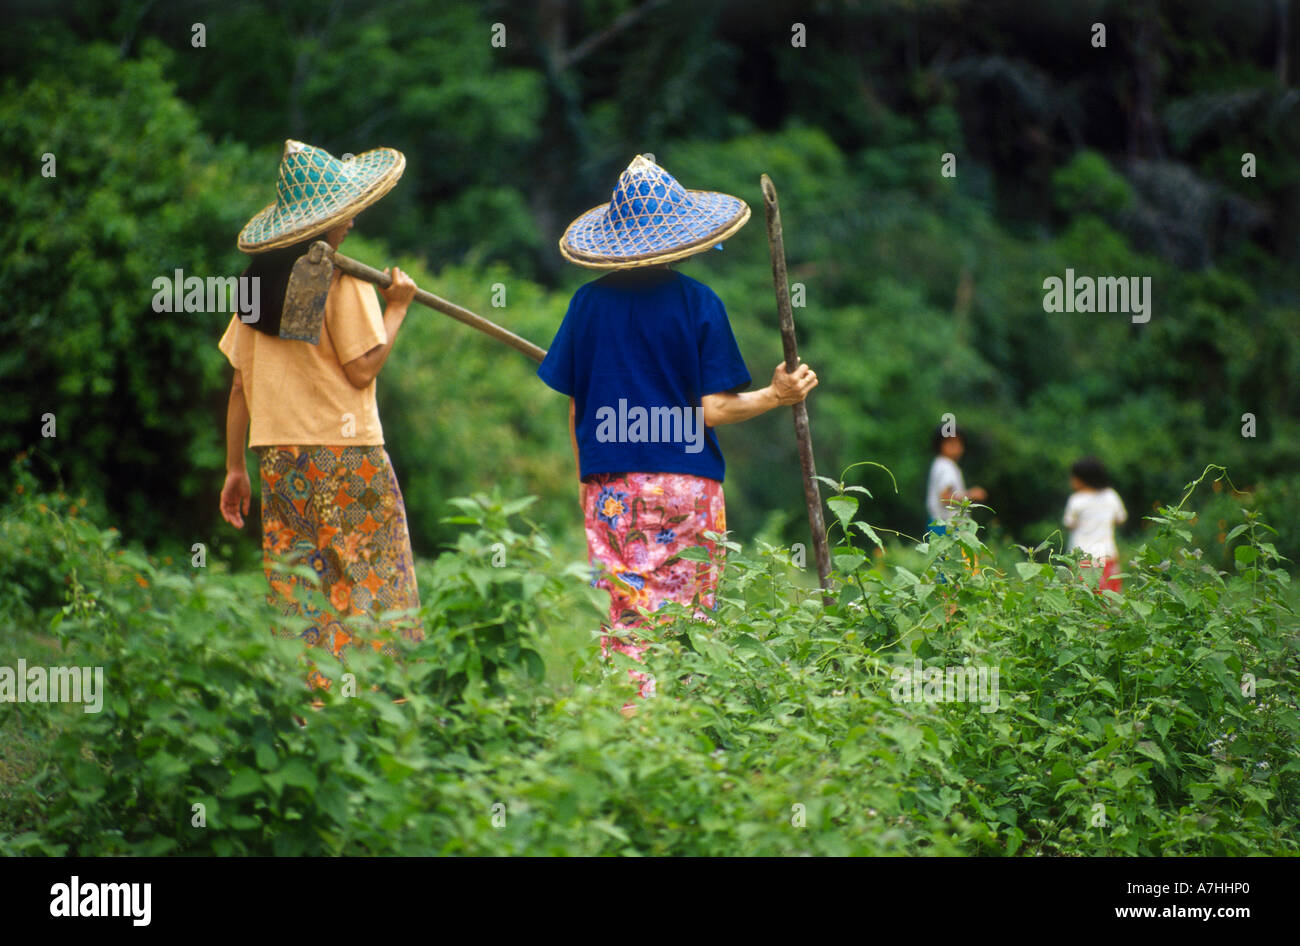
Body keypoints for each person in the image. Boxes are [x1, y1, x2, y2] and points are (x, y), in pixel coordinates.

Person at [539, 154, 818, 711]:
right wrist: (776, 396)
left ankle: (630, 735)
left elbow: (579, 409)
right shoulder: (698, 302)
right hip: (688, 488)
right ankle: (686, 734)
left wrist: (584, 485)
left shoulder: (587, 304)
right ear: (678, 240)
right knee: (690, 621)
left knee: (625, 621)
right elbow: (710, 409)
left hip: (611, 490)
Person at [218, 139, 423, 690]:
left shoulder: (259, 281)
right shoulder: (340, 275)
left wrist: (236, 468)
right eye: (345, 210)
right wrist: (397, 308)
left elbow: (240, 382)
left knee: (302, 589)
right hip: (347, 454)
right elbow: (362, 370)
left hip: (280, 458)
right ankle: (386, 705)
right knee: (373, 580)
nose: (352, 220)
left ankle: (313, 706)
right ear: (326, 218)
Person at [1064, 456, 1127, 593]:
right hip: (1107, 555)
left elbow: (1069, 524)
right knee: (1108, 601)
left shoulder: (1076, 500)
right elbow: (1121, 519)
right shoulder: (1111, 496)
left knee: (1082, 601)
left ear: (1083, 478)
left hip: (1082, 558)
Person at [925, 423, 987, 533]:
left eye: (958, 443)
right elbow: (944, 498)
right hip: (946, 525)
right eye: (950, 442)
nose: (955, 446)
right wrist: (971, 495)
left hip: (938, 522)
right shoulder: (946, 466)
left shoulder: (939, 463)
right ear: (939, 444)